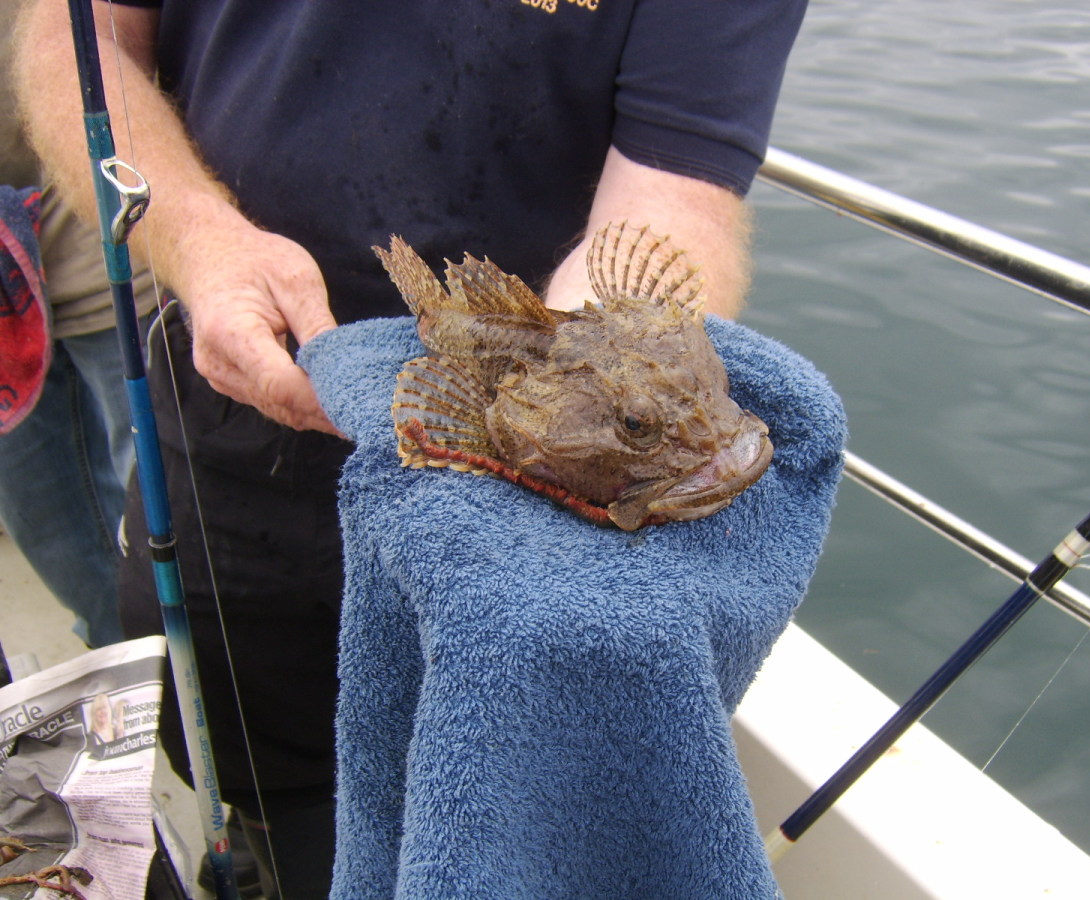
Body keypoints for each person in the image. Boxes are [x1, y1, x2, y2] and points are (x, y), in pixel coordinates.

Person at [14, 2, 809, 897]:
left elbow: (673, 191)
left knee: (481, 803)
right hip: (227, 411)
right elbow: (79, 35)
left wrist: (615, 409)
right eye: (639, 432)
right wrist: (195, 237)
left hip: (489, 518)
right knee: (262, 772)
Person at [0, 3, 156, 651]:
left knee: (156, 506)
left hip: (97, 208)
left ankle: (177, 683)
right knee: (49, 527)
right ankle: (131, 669)